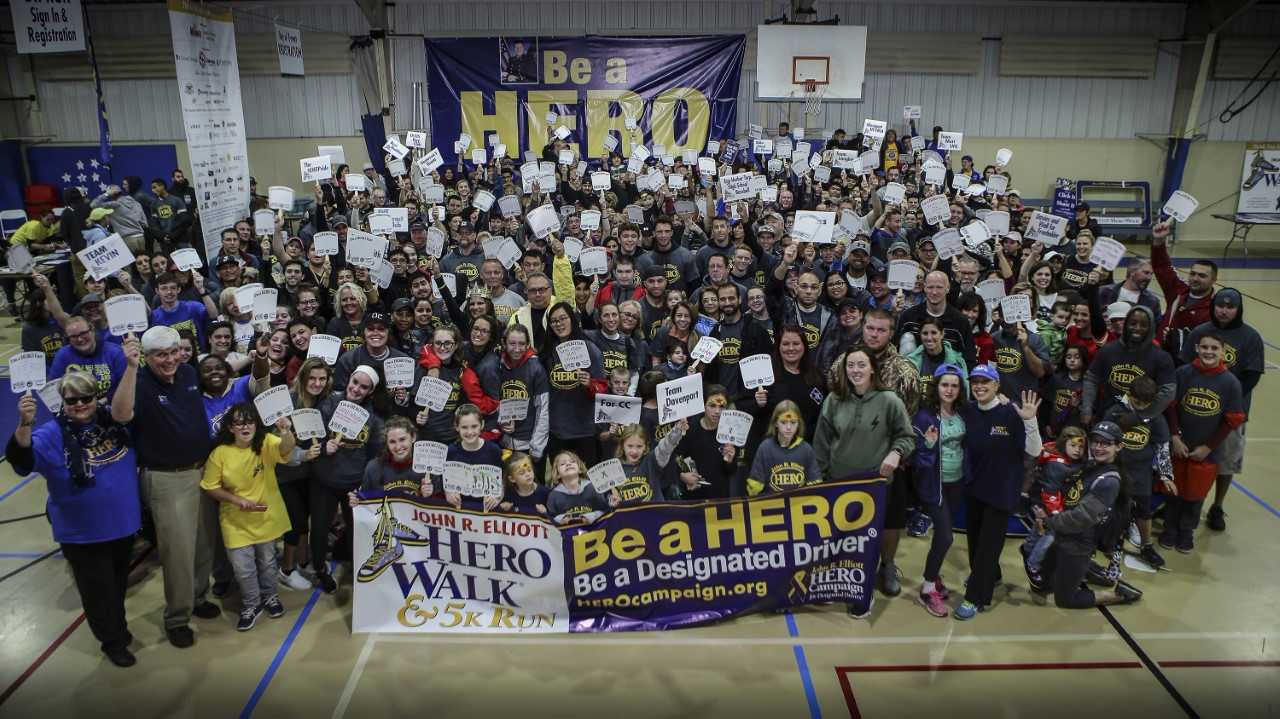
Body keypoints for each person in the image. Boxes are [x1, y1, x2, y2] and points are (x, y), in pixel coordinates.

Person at [6, 345, 140, 667]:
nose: (80, 405)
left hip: (122, 524)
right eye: (72, 400)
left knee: (118, 584)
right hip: (83, 533)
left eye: (86, 398)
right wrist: (24, 424)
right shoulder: (51, 434)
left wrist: (133, 365)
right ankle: (111, 641)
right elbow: (22, 461)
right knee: (98, 592)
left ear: (96, 398)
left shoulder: (111, 420)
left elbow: (126, 410)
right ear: (62, 403)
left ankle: (117, 628)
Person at [132, 325, 221, 648]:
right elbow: (121, 412)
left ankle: (199, 595)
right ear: (146, 357)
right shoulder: (138, 383)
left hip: (202, 471)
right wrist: (129, 369)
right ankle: (177, 617)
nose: (168, 360)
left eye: (173, 353)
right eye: (160, 355)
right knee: (177, 551)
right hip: (166, 478)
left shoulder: (188, 374)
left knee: (204, 542)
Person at [813, 345, 914, 617]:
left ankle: (862, 592)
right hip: (838, 485)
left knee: (865, 543)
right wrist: (820, 479)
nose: (855, 370)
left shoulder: (890, 400)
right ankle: (834, 583)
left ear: (872, 369)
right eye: (851, 365)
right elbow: (821, 443)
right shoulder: (833, 400)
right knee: (840, 540)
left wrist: (896, 452)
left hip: (875, 488)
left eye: (861, 365)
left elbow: (906, 437)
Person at [953, 365, 1042, 620]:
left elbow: (1034, 451)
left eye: (986, 382)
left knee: (988, 547)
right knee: (974, 541)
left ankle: (974, 597)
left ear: (997, 385)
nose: (980, 386)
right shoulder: (968, 410)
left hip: (1001, 492)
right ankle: (992, 577)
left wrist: (1030, 419)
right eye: (976, 381)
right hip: (974, 489)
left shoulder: (1011, 413)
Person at [200, 404, 296, 631]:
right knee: (243, 570)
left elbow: (286, 449)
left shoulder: (265, 443)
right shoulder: (219, 453)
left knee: (268, 563)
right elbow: (210, 487)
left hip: (266, 519)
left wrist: (285, 431)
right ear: (231, 428)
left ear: (256, 424)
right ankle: (251, 605)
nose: (245, 426)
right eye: (239, 422)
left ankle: (270, 596)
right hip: (235, 522)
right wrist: (237, 501)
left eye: (249, 421)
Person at [1032, 421, 1142, 608]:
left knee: (1065, 600)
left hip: (1078, 543)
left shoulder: (1109, 481)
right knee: (1041, 581)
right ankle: (1089, 572)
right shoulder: (1092, 464)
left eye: (1106, 443)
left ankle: (1116, 594)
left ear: (1119, 447)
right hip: (1063, 533)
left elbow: (1080, 518)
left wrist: (1049, 521)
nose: (1098, 447)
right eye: (1096, 442)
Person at [1181, 289, 1263, 532]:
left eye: (1230, 306)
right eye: (1220, 306)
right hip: (1195, 409)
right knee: (1189, 458)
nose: (1224, 311)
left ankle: (1217, 505)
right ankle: (1186, 501)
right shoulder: (1200, 332)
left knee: (1226, 463)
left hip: (1230, 415)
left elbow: (1252, 376)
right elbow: (1185, 367)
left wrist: (1228, 402)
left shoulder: (1250, 337)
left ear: (1238, 310)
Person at [1164, 333, 1245, 554]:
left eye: (1214, 348)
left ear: (1222, 352)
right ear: (1197, 348)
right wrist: (1174, 436)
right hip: (1179, 447)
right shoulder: (1183, 374)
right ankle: (1169, 529)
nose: (1209, 352)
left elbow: (1232, 420)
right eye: (1205, 347)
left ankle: (1186, 531)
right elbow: (1171, 406)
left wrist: (1208, 447)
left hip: (1206, 452)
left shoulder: (1230, 383)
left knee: (1195, 494)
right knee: (1173, 490)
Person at [313, 365, 385, 592]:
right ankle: (320, 570)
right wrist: (325, 446)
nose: (356, 389)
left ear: (370, 392)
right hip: (324, 480)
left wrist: (364, 485)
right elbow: (313, 438)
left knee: (358, 530)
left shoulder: (373, 418)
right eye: (355, 383)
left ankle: (358, 569)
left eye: (364, 387)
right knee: (320, 529)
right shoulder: (329, 404)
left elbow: (374, 454)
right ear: (349, 380)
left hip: (353, 485)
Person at [908, 364, 968, 618]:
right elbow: (915, 462)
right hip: (935, 487)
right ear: (936, 387)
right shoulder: (924, 417)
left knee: (943, 535)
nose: (950, 390)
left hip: (958, 483)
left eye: (954, 385)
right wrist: (929, 446)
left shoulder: (964, 413)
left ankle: (934, 578)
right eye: (945, 384)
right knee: (945, 536)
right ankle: (928, 587)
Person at [746, 401, 820, 496]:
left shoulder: (806, 450)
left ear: (799, 424)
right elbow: (753, 489)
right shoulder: (765, 448)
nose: (788, 427)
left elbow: (816, 487)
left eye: (793, 422)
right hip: (773, 507)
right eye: (783, 422)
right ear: (775, 423)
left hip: (799, 507)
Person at [614, 420, 687, 506]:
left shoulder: (652, 460)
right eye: (630, 446)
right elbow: (605, 497)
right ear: (622, 445)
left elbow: (666, 446)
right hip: (628, 517)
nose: (634, 451)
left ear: (645, 446)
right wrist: (611, 500)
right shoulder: (613, 468)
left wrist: (677, 430)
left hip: (656, 515)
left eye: (639, 446)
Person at [546, 450, 618, 524]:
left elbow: (604, 510)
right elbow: (550, 517)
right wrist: (561, 520)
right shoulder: (554, 495)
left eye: (572, 461)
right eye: (562, 464)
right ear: (557, 474)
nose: (568, 464)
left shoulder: (592, 488)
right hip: (567, 534)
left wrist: (590, 517)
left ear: (580, 469)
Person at [499, 451, 549, 516]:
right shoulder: (507, 494)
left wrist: (545, 513)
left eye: (529, 470)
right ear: (512, 479)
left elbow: (554, 520)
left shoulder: (544, 493)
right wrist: (501, 509)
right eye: (522, 473)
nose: (528, 474)